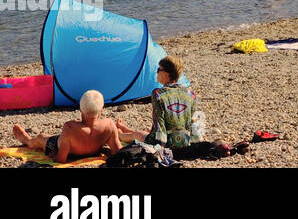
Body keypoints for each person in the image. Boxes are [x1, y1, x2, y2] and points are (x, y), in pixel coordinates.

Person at [11, 89, 145, 163]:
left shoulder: (69, 127)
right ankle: (28, 140)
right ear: (101, 111)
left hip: (71, 152)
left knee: (42, 138)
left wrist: (53, 157)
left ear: (80, 111)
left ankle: (27, 140)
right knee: (54, 138)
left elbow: (61, 159)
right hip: (94, 150)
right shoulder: (109, 125)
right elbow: (117, 152)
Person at [147, 56, 198, 149]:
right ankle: (122, 130)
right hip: (186, 143)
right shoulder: (191, 94)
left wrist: (160, 147)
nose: (157, 72)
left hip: (167, 144)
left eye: (159, 69)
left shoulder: (158, 94)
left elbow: (159, 123)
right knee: (142, 133)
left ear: (167, 74)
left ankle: (119, 133)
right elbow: (192, 121)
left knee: (138, 135)